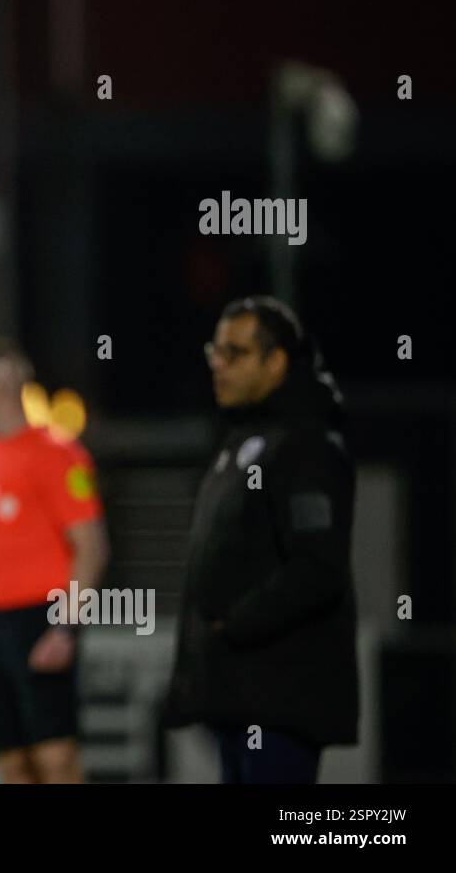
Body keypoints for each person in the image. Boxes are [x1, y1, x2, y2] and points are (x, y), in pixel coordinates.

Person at [162, 296, 359, 783]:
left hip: (279, 695)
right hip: (237, 693)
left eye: (236, 353)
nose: (219, 365)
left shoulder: (307, 444)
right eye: (216, 352)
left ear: (276, 361)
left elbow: (317, 568)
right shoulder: (245, 440)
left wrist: (233, 625)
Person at [0, 336, 109, 782]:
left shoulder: (59, 453)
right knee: (13, 762)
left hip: (42, 620)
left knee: (56, 759)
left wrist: (67, 628)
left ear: (2, 378)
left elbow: (91, 547)